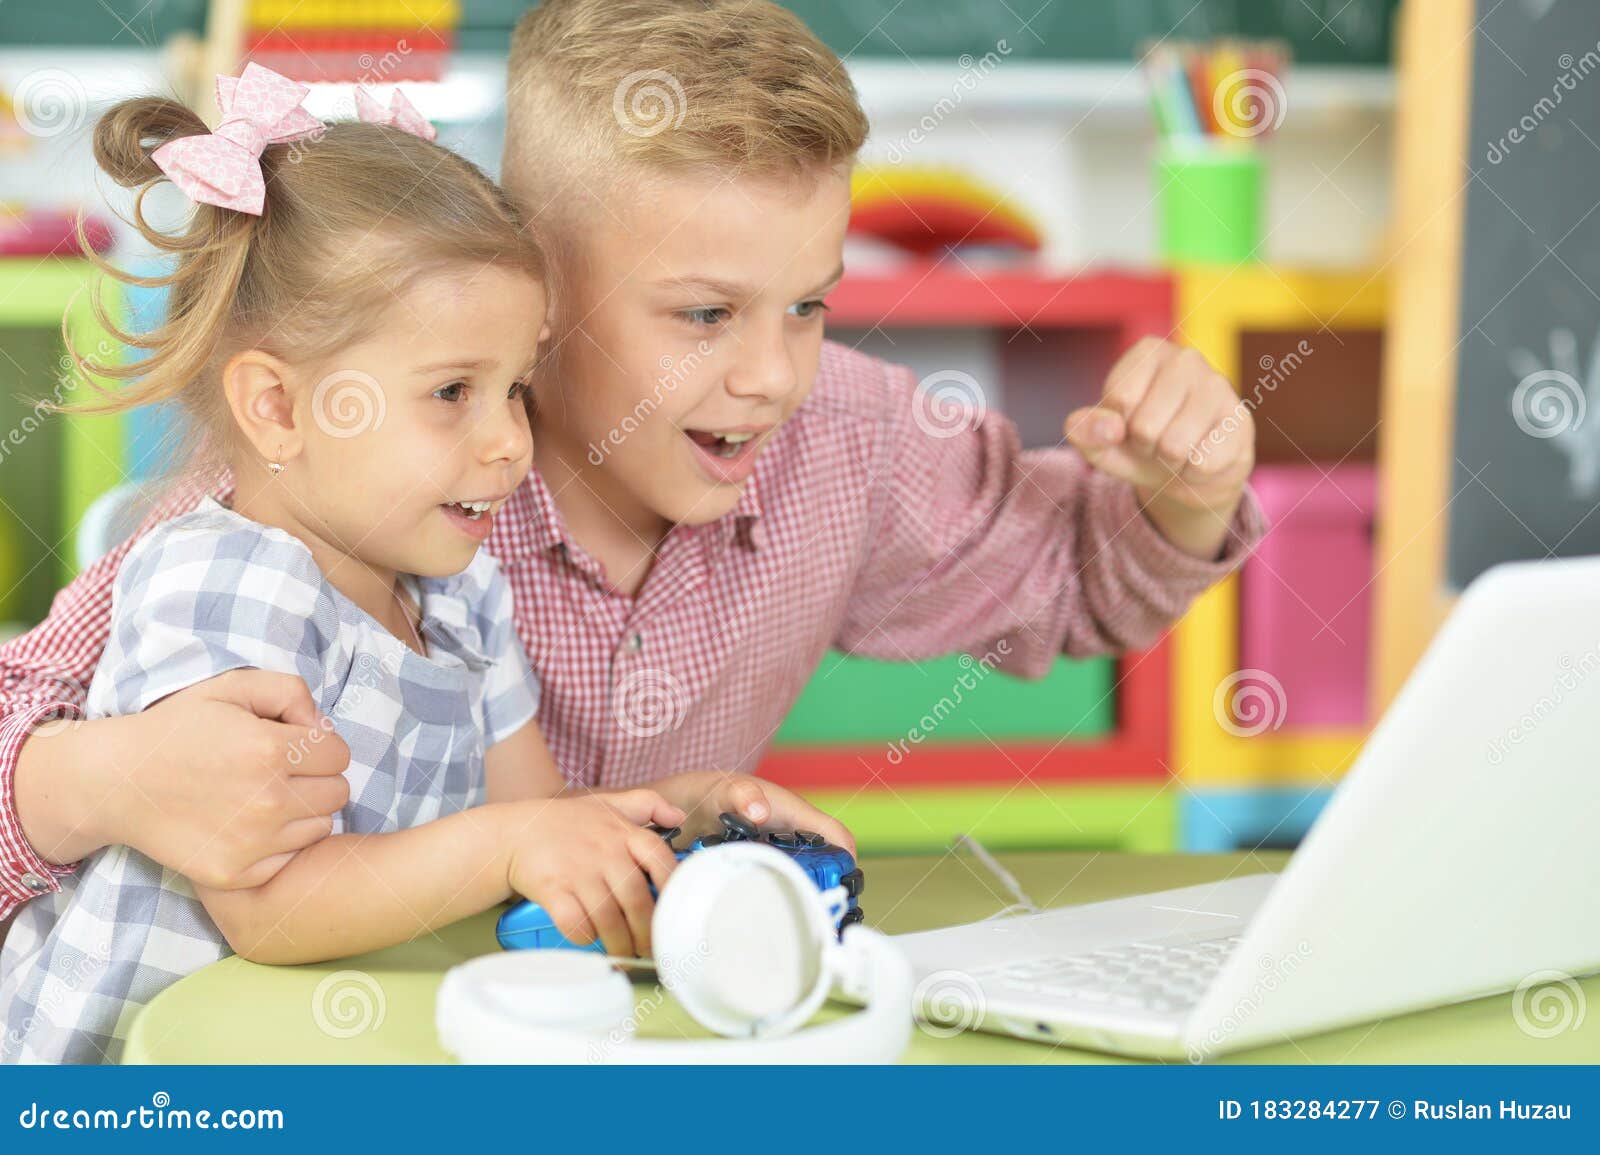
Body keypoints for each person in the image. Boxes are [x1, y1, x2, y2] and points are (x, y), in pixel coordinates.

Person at [0, 0, 1261, 960]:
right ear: (531, 284)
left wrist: (1184, 488)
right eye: (705, 313)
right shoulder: (352, 479)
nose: (772, 374)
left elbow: (1074, 580)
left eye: (810, 304)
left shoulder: (842, 438)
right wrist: (101, 779)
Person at [2, 69, 694, 1063]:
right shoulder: (226, 582)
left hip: (310, 1055)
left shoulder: (462, 596)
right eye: (452, 390)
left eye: (516, 388)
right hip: (125, 1083)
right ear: (278, 409)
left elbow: (531, 814)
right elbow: (270, 909)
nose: (508, 442)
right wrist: (505, 848)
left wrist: (679, 820)